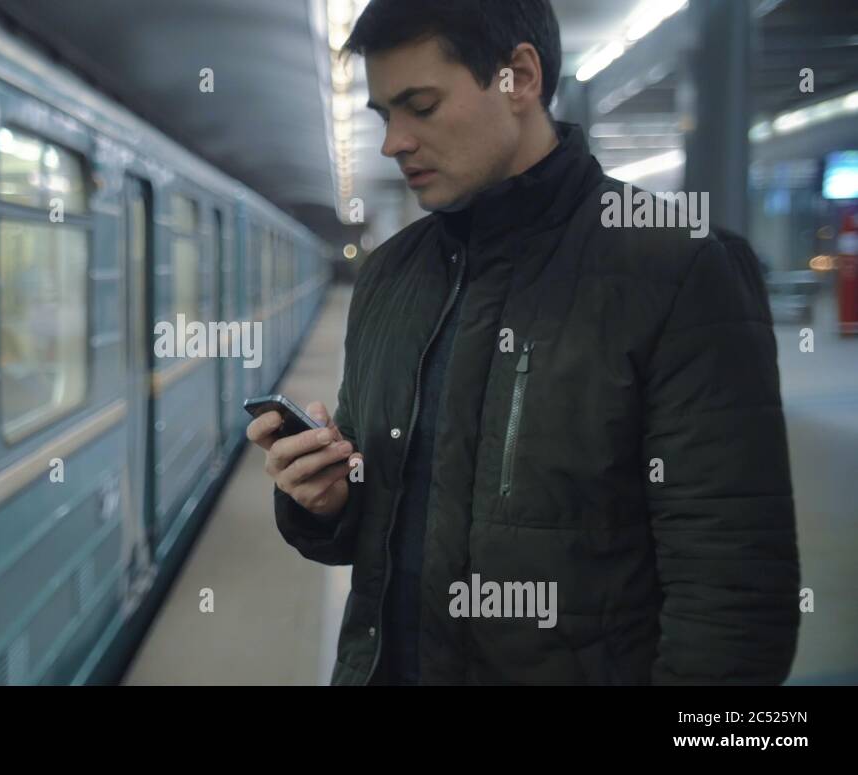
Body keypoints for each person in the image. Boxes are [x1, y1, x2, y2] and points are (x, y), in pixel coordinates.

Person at [246, 0, 800, 685]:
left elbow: (733, 598)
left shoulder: (677, 269)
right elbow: (376, 517)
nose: (393, 142)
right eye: (384, 115)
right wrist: (327, 502)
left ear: (520, 78)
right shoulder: (391, 278)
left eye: (420, 105)